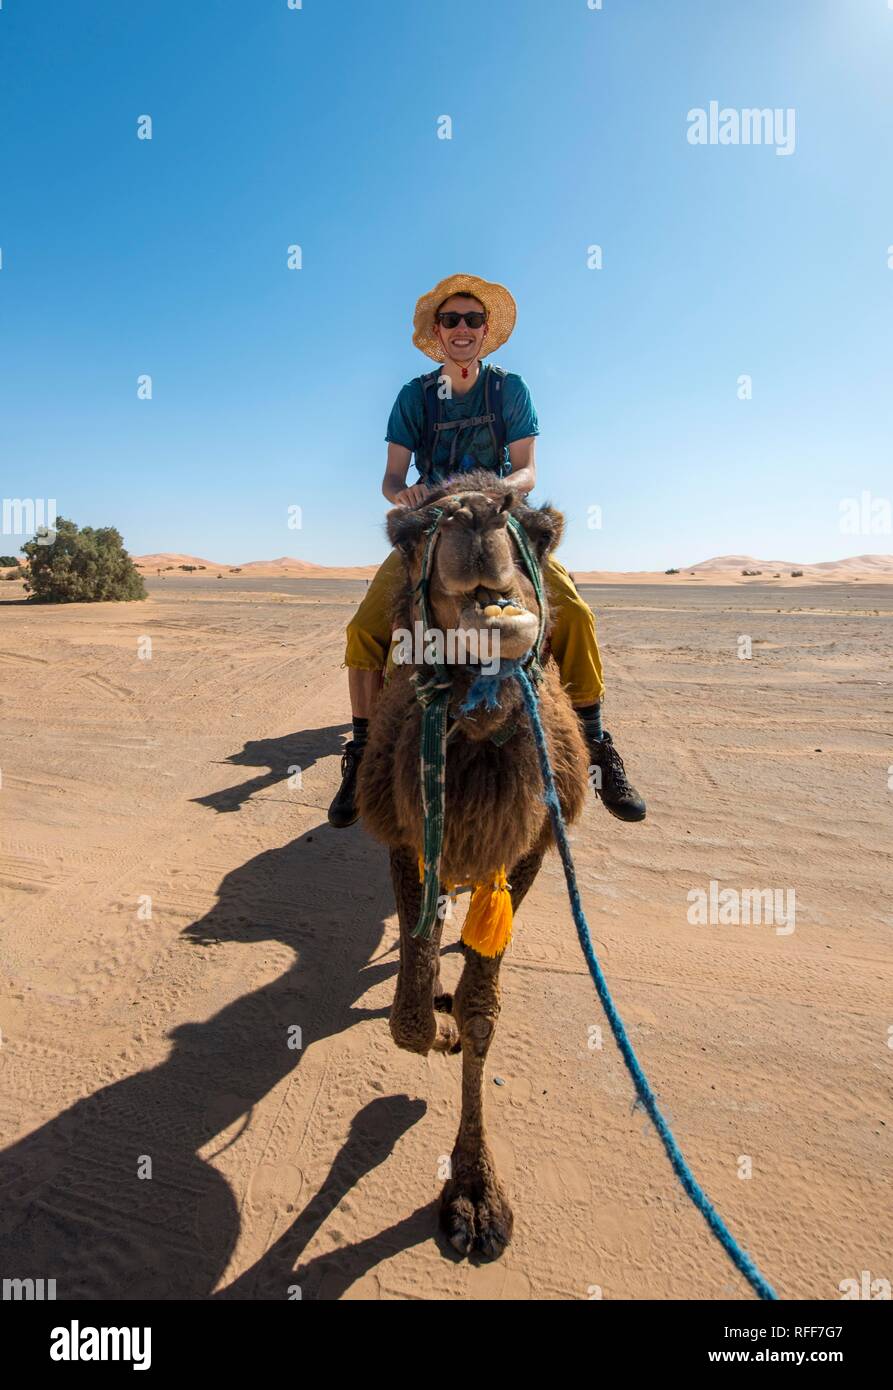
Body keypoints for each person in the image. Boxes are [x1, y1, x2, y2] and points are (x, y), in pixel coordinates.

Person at [328, 273, 645, 829]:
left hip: (499, 512)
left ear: (486, 330)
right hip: (434, 519)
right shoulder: (414, 397)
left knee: (572, 613)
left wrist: (499, 492)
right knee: (365, 630)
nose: (463, 328)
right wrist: (406, 494)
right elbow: (391, 478)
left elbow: (526, 468)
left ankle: (596, 745)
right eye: (451, 320)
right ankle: (359, 753)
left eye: (474, 319)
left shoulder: (509, 390)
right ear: (437, 331)